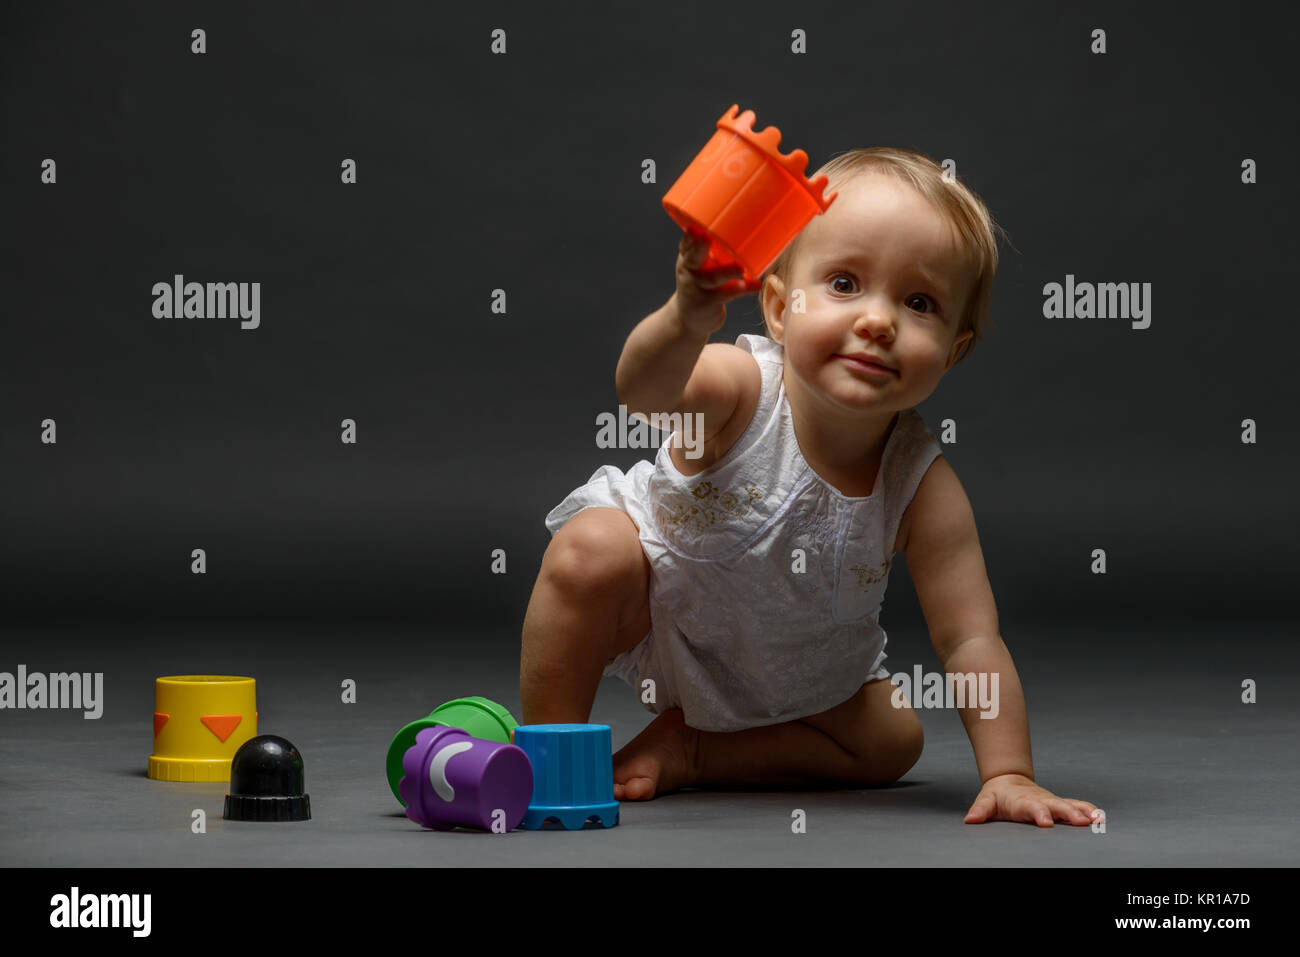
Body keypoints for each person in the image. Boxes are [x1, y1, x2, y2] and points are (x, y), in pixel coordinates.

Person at [520, 147, 1099, 827]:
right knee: (589, 549)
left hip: (800, 675)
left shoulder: (921, 484)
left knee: (892, 738)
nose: (878, 321)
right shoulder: (743, 389)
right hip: (660, 612)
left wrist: (1008, 771)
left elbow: (971, 639)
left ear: (953, 349)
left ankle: (698, 751)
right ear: (777, 308)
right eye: (845, 283)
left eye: (919, 302)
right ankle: (550, 763)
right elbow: (645, 394)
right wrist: (688, 315)